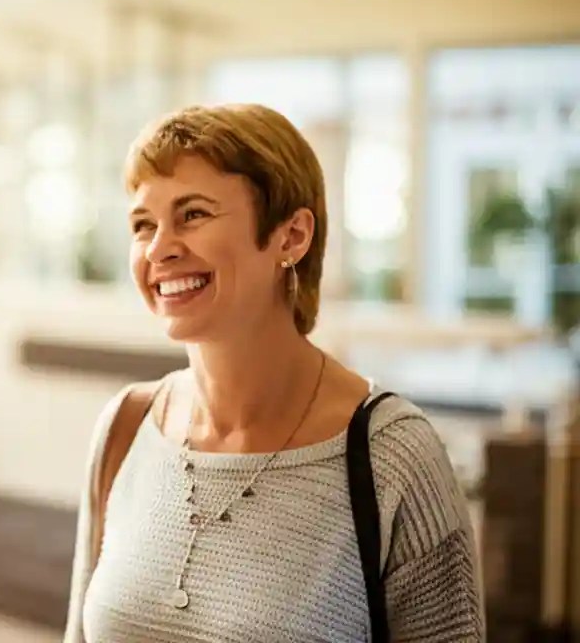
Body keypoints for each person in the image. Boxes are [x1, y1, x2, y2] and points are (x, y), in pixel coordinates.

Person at [64, 104, 484, 642]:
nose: (160, 248)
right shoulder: (127, 426)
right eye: (143, 224)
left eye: (192, 214)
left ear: (291, 237)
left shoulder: (392, 457)